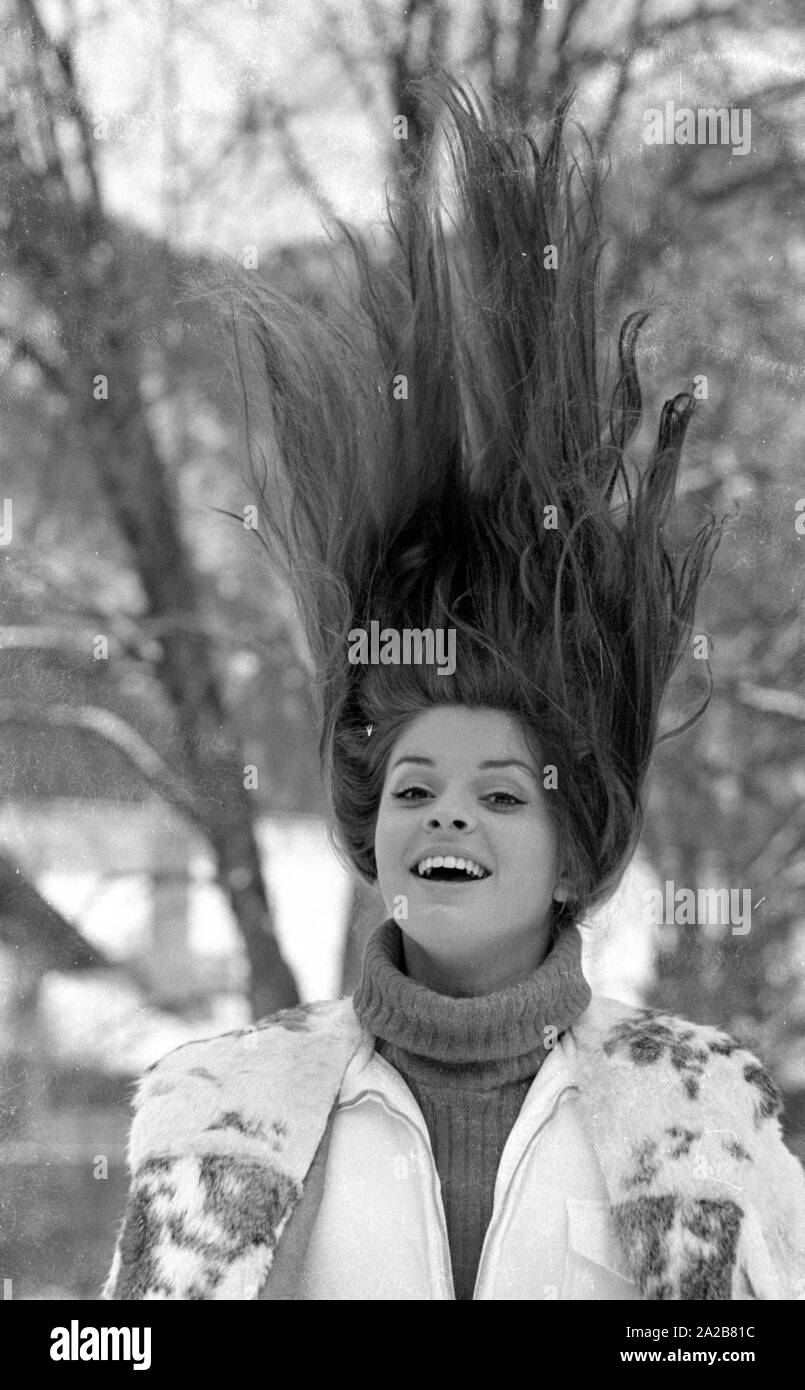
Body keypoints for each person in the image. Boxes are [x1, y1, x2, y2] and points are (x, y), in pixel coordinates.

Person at [103, 76, 805, 1301]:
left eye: (499, 792)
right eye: (416, 784)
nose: (445, 816)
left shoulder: (700, 1117)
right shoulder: (221, 1116)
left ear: (577, 844)